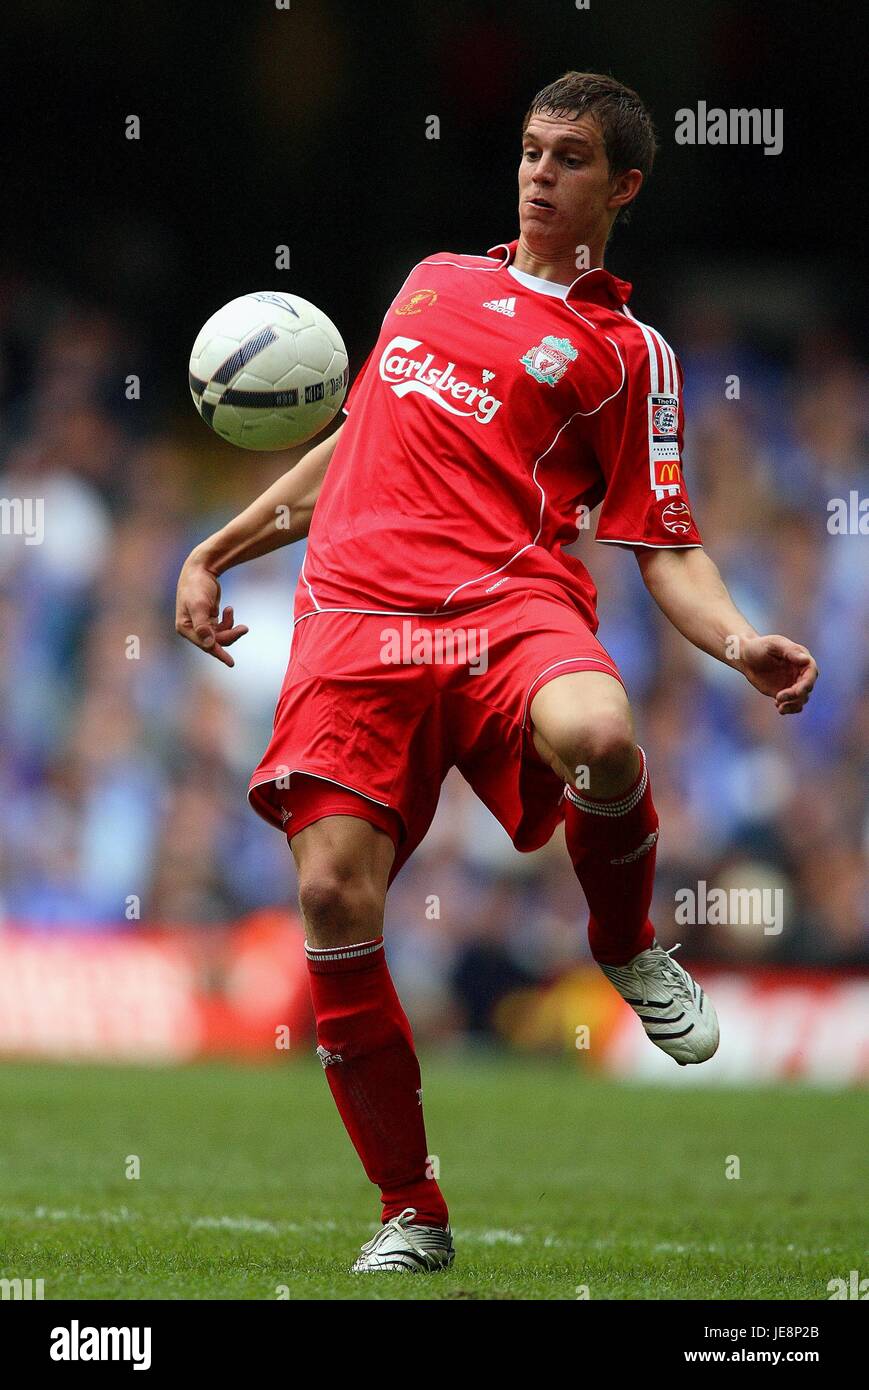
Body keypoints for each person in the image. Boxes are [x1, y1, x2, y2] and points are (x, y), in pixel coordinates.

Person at [175, 72, 818, 1273]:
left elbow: (663, 541)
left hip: (503, 611)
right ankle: (410, 1209)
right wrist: (214, 550)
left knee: (602, 737)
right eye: (528, 150)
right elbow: (348, 450)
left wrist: (740, 642)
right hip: (355, 617)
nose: (537, 174)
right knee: (332, 898)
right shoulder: (430, 282)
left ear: (621, 187)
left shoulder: (628, 354)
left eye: (568, 157)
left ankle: (623, 940)